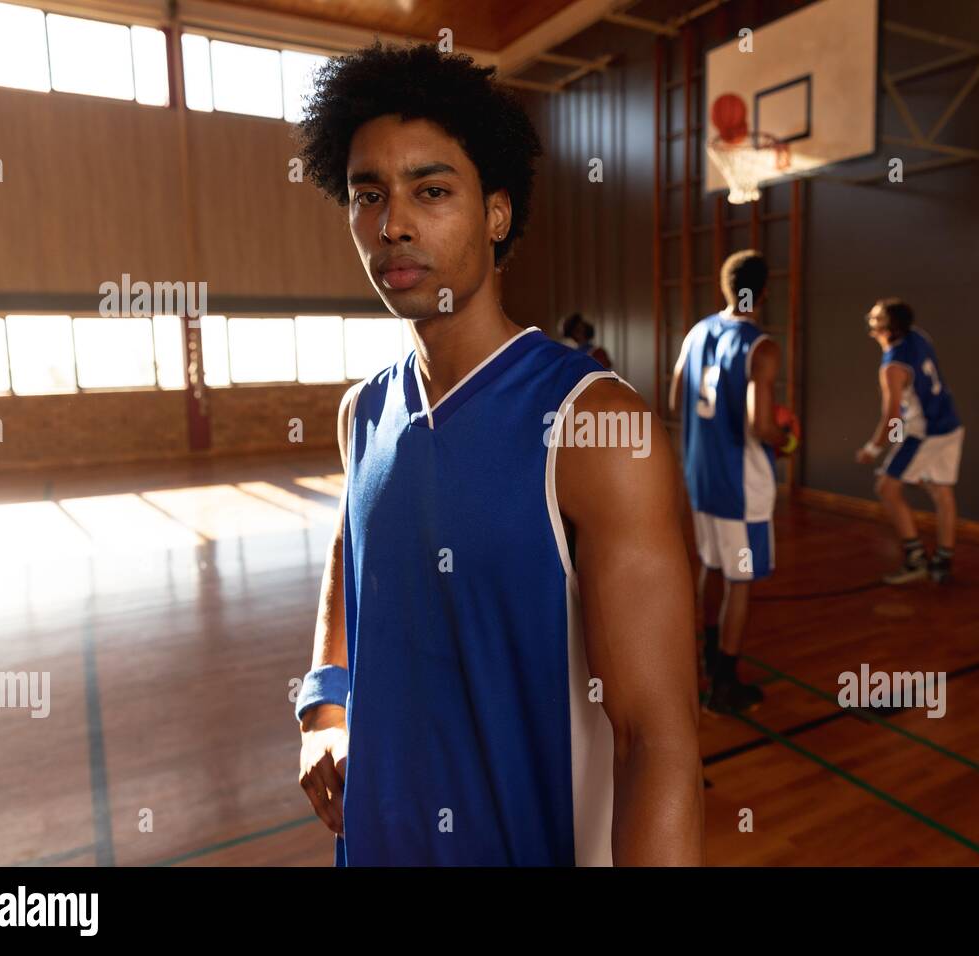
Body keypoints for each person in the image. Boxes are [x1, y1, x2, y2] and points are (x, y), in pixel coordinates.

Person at [292, 42, 701, 866]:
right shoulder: (362, 410)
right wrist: (323, 710)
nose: (393, 222)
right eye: (368, 194)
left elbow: (657, 743)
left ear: (497, 214)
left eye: (431, 190)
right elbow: (349, 553)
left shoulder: (594, 428)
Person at [670, 249, 789, 714]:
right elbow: (763, 427)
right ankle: (724, 682)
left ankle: (706, 654)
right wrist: (789, 440)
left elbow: (677, 395)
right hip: (742, 487)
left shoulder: (698, 331)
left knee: (712, 568)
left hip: (701, 478)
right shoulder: (762, 346)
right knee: (741, 581)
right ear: (764, 291)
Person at [855, 298, 964, 584]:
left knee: (887, 488)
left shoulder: (892, 367)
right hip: (950, 425)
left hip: (925, 431)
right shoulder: (918, 336)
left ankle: (915, 558)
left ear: (888, 329)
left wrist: (874, 448)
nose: (870, 320)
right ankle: (943, 560)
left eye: (876, 317)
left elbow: (892, 416)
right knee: (942, 493)